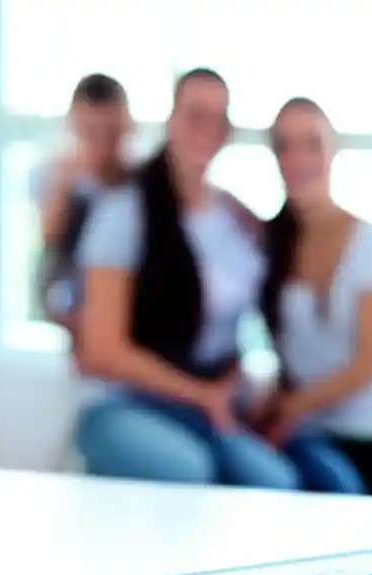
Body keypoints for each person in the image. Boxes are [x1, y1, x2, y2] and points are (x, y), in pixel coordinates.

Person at [74, 68, 312, 489]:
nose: (206, 129)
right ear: (171, 121)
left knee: (274, 481)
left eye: (218, 119)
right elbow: (100, 350)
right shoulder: (124, 214)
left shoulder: (235, 219)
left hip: (212, 406)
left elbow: (250, 320)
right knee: (189, 472)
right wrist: (202, 394)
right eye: (194, 114)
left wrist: (237, 391)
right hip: (132, 403)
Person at [259, 97, 372, 498]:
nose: (298, 158)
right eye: (284, 146)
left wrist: (288, 408)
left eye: (312, 143)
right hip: (328, 440)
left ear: (332, 150)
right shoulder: (270, 245)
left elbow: (367, 366)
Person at [33, 73, 131, 334]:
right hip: (70, 299)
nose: (101, 145)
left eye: (110, 133)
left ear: (126, 126)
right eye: (91, 133)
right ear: (73, 124)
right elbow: (50, 237)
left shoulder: (136, 182)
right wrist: (64, 184)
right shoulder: (56, 175)